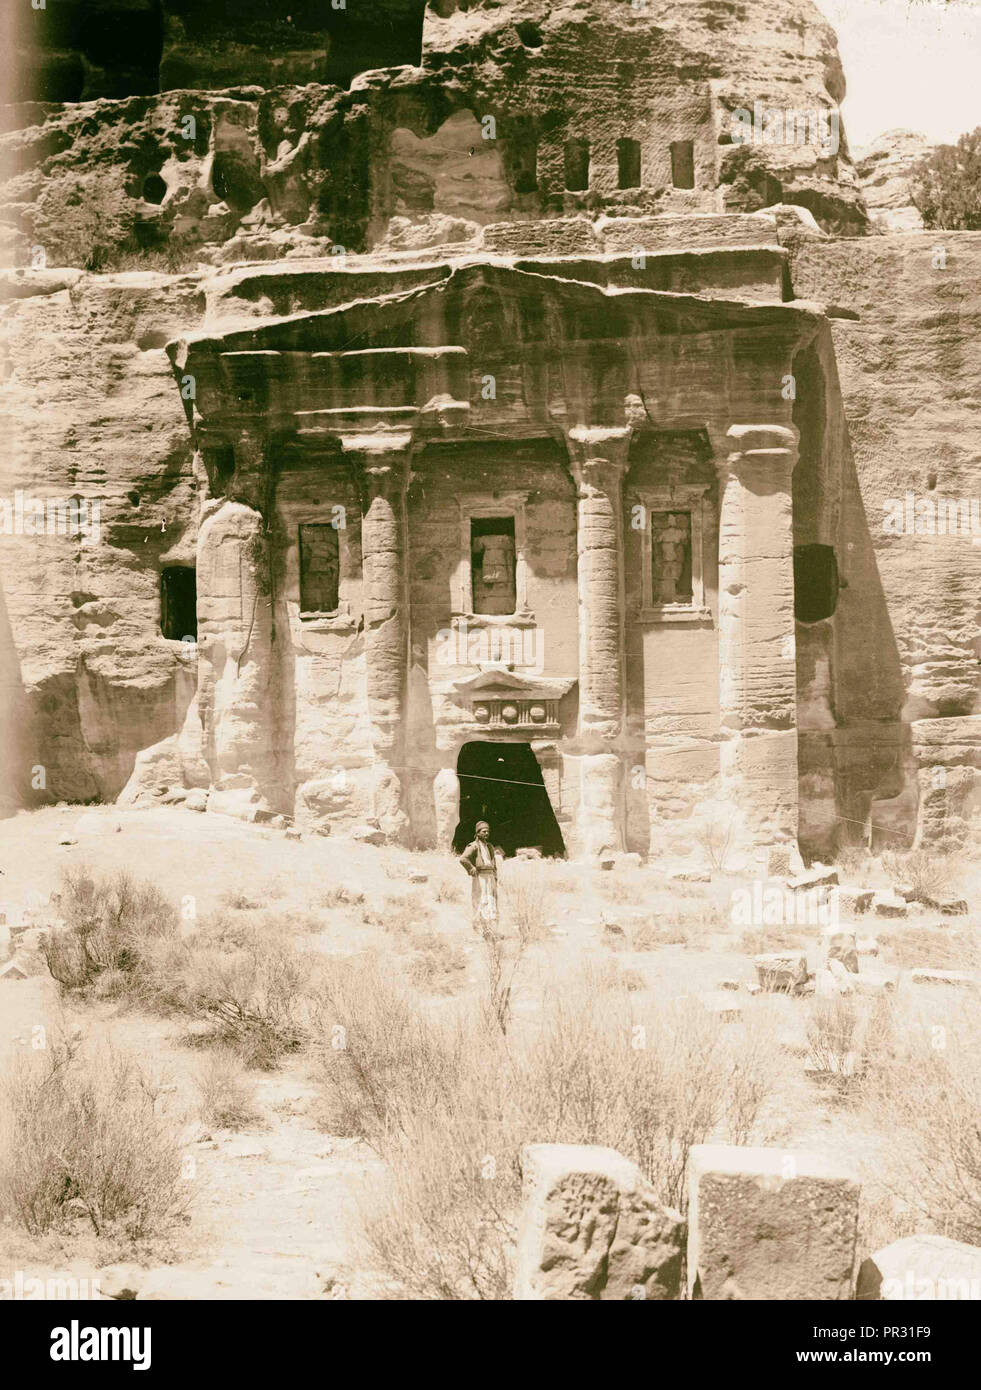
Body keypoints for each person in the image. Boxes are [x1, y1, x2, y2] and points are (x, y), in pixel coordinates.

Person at [458, 820, 503, 933]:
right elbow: (463, 859)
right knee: (480, 900)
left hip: (490, 877)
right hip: (480, 877)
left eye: (488, 831)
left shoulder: (490, 847)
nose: (486, 833)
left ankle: (491, 929)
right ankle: (479, 928)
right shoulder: (473, 846)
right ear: (478, 833)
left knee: (491, 900)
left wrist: (495, 877)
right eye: (484, 831)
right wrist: (472, 869)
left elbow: (493, 864)